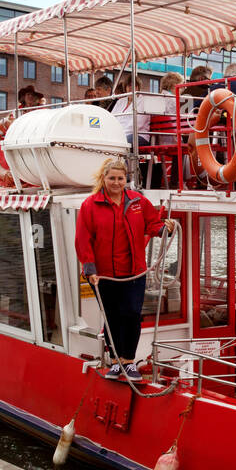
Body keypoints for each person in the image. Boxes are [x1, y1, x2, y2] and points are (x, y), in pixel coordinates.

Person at [74, 159, 176, 380]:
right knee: (112, 318)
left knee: (131, 315)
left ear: (125, 179)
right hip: (104, 276)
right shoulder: (90, 205)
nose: (116, 182)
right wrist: (89, 269)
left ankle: (129, 361)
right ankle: (115, 362)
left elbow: (152, 223)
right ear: (104, 178)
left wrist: (163, 228)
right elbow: (83, 240)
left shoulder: (138, 201)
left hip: (134, 273)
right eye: (112, 178)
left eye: (121, 178)